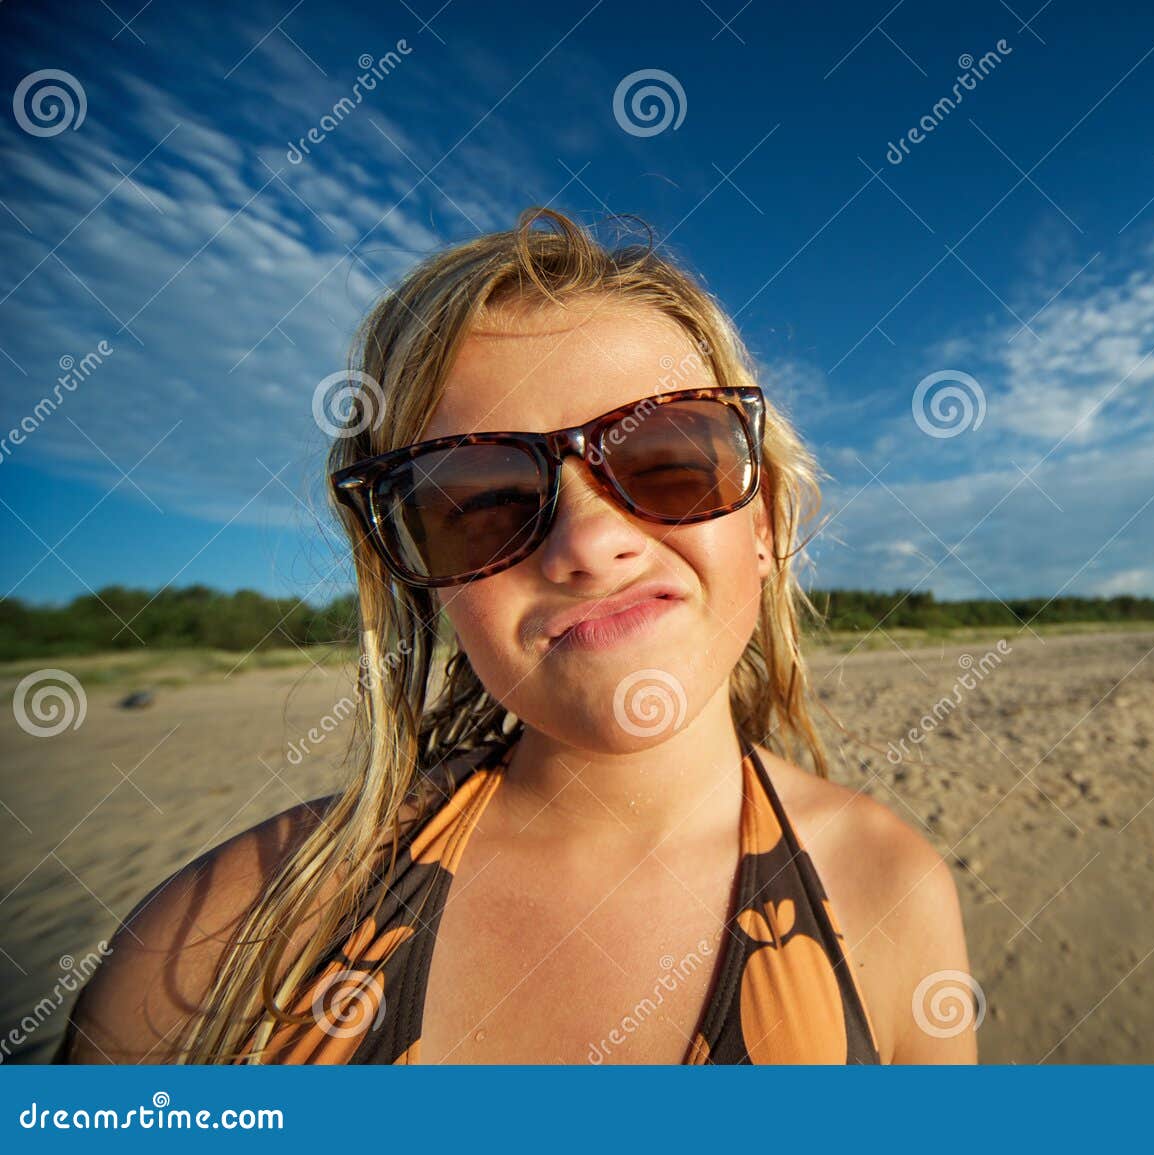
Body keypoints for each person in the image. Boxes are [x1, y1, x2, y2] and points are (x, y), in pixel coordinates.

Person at [57, 207, 974, 1065]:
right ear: (423, 578)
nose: (589, 544)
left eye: (667, 462)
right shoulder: (220, 945)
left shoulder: (890, 890)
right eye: (485, 502)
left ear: (764, 523)